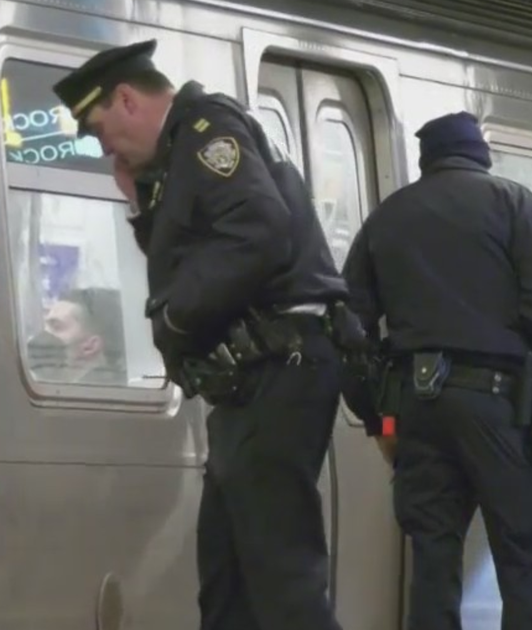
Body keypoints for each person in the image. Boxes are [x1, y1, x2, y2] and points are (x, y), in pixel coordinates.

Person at [52, 39, 351, 630]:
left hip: (280, 370)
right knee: (227, 584)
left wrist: (175, 320)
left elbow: (261, 232)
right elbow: (194, 253)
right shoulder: (176, 157)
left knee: (280, 579)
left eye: (100, 127)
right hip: (250, 385)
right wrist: (141, 206)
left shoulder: (206, 130)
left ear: (127, 98)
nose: (104, 145)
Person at [340, 111, 532, 630]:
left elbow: (347, 333)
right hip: (499, 406)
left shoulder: (386, 218)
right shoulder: (513, 204)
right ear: (481, 155)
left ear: (428, 160)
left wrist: (381, 421)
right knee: (526, 557)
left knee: (433, 562)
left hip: (413, 412)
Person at [28, 287, 126, 385]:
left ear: (90, 346)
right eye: (45, 326)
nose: (43, 335)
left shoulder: (94, 396)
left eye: (56, 327)